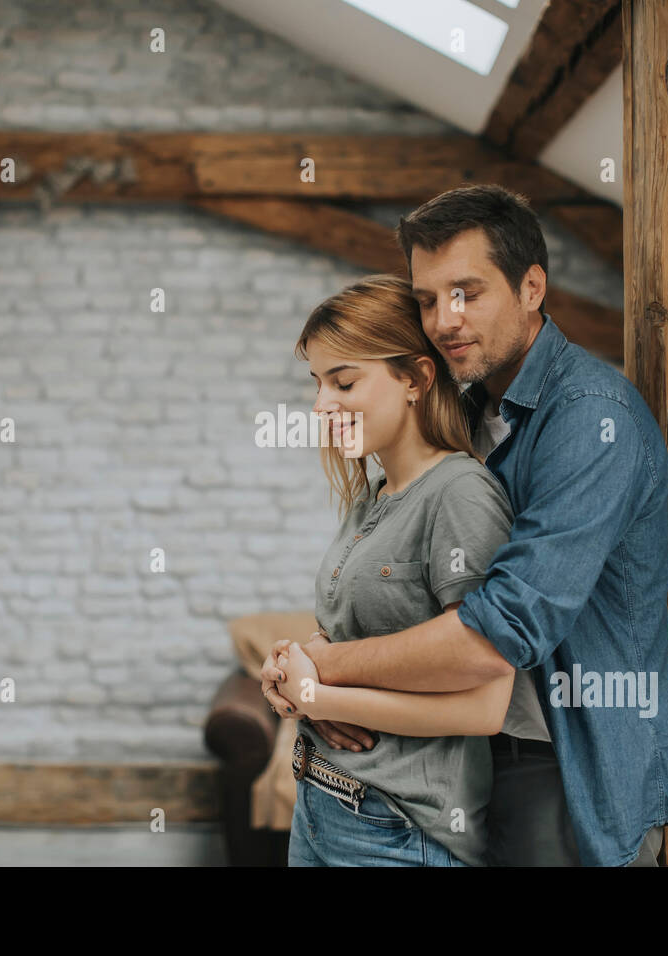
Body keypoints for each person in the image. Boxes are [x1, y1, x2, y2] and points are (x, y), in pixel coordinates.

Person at [265, 185, 668, 866]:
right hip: (477, 765)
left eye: (467, 292)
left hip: (567, 765)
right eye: (428, 300)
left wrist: (324, 672)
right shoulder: (463, 418)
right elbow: (402, 605)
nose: (445, 319)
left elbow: (501, 633)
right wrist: (309, 675)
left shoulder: (590, 417)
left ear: (531, 287)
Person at [267, 273, 535, 867]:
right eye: (317, 384)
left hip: (394, 831)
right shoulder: (374, 493)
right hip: (319, 803)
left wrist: (324, 698)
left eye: (343, 381)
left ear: (415, 378)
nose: (321, 405)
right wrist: (290, 664)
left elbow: (485, 709)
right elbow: (351, 641)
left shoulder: (461, 494)